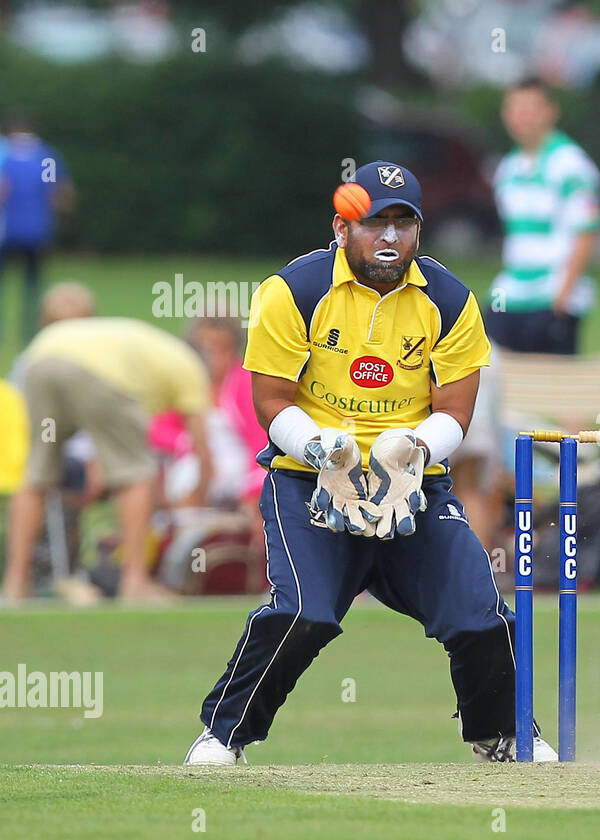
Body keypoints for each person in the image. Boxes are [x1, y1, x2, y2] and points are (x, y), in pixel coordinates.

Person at [184, 161, 557, 766]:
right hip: (310, 482)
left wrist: (414, 453)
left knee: (480, 612)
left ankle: (503, 734)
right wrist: (319, 449)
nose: (389, 237)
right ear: (341, 227)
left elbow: (456, 410)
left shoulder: (451, 299)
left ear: (418, 230)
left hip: (414, 484)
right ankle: (224, 736)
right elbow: (271, 400)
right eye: (373, 222)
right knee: (303, 612)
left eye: (402, 223)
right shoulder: (294, 291)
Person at [3, 316, 211, 603]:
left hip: (39, 360)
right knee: (138, 476)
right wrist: (198, 505)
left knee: (37, 476)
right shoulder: (191, 368)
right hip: (93, 370)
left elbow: (106, 441)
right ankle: (135, 582)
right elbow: (202, 450)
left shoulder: (151, 359)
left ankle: (15, 584)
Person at [488, 78, 600, 355]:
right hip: (512, 293)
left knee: (549, 391)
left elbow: (586, 231)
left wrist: (562, 298)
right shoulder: (508, 167)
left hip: (552, 296)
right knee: (498, 386)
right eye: (515, 109)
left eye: (530, 108)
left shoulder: (570, 163)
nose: (521, 117)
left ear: (550, 112)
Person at [0, 115, 75, 343]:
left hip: (6, 232)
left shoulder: (5, 156)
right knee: (33, 284)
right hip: (37, 231)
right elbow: (56, 193)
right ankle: (30, 332)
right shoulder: (45, 157)